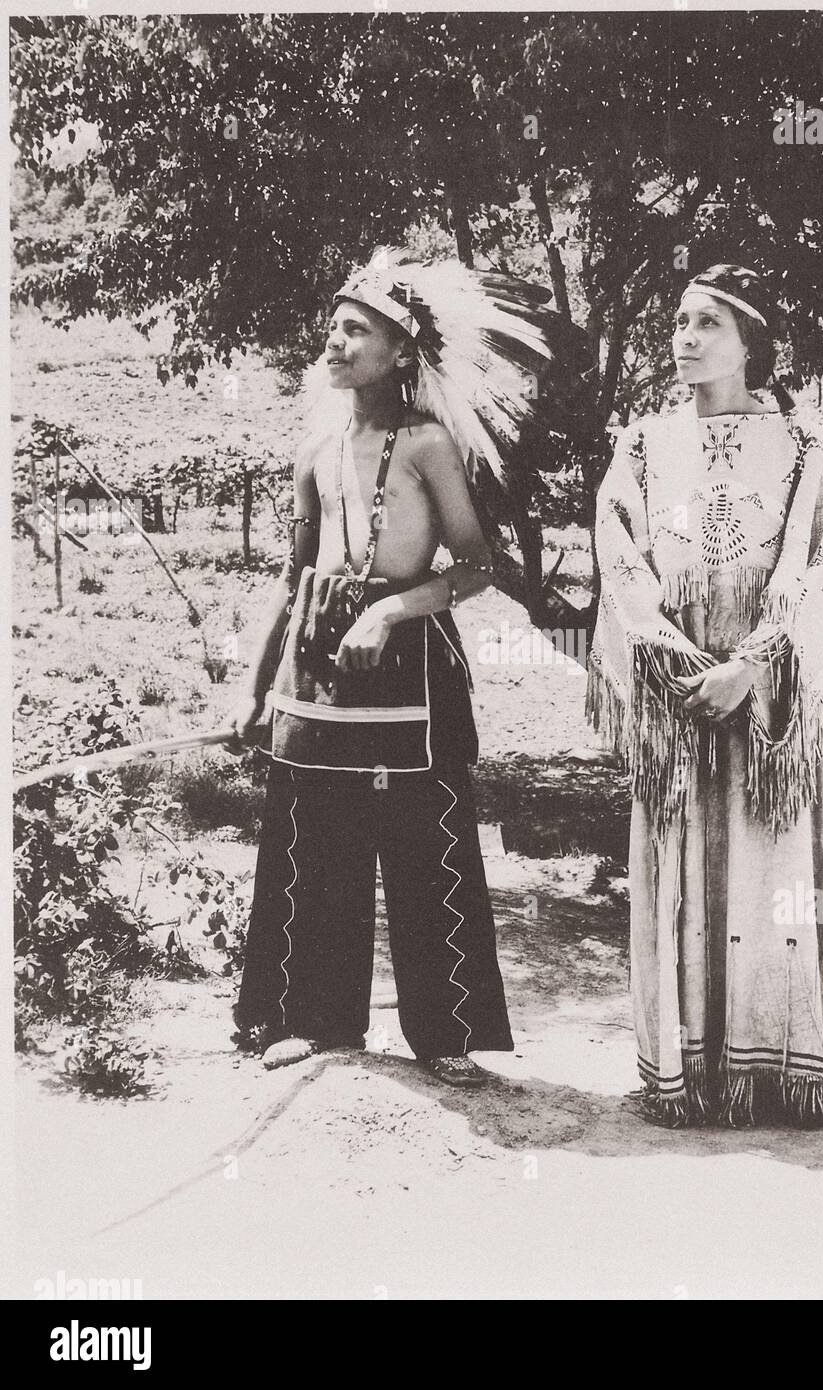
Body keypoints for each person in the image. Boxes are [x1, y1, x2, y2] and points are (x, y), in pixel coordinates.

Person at [224, 251, 567, 1086]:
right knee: (314, 839)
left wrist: (389, 608)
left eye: (356, 329)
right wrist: (252, 687)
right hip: (317, 669)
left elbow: (477, 564)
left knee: (428, 843)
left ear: (401, 351)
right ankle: (309, 1016)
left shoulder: (426, 446)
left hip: (413, 668)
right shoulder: (315, 450)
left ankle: (445, 1032)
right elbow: (292, 573)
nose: (333, 342)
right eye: (332, 328)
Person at [586, 263, 823, 1128]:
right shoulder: (642, 444)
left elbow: (815, 569)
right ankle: (687, 1077)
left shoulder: (802, 447)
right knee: (678, 876)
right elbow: (618, 553)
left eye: (708, 323)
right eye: (679, 320)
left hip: (767, 701)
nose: (685, 336)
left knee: (767, 878)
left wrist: (750, 664)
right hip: (677, 697)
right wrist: (673, 660)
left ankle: (778, 1074)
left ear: (752, 345)